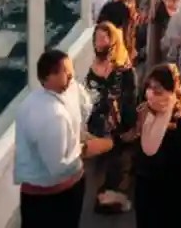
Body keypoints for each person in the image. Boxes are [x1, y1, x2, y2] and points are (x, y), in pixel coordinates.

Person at [15, 49, 110, 228]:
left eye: (70, 69)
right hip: (51, 199)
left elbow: (84, 109)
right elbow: (58, 167)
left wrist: (81, 134)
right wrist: (90, 147)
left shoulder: (68, 89)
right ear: (47, 78)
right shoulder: (50, 116)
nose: (71, 74)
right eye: (64, 71)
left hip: (56, 192)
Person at [133, 64, 181, 228]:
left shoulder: (179, 127)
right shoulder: (146, 115)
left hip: (170, 205)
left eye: (157, 90)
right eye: (148, 88)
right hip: (148, 203)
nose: (150, 94)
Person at [84, 23, 138, 214]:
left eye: (103, 38)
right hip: (96, 130)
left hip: (118, 132)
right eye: (96, 38)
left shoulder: (124, 72)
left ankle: (117, 198)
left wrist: (130, 128)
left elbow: (130, 101)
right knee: (97, 182)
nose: (99, 42)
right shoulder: (90, 70)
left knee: (113, 176)